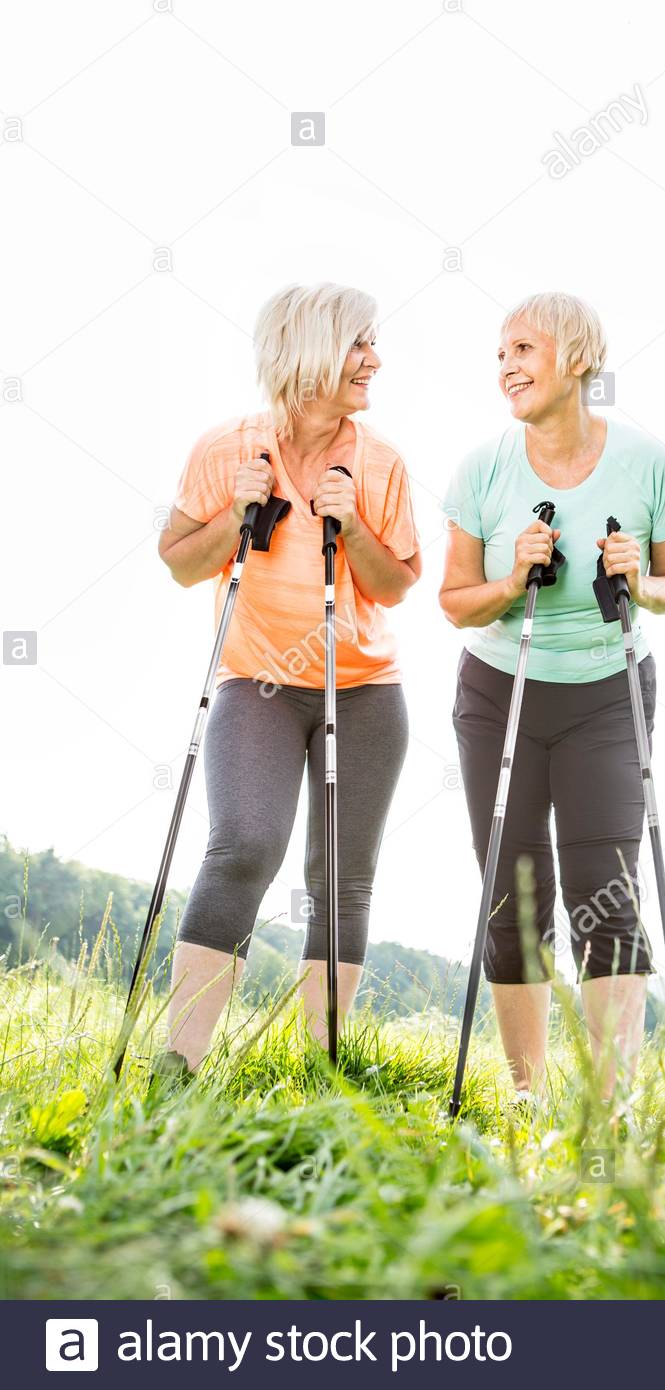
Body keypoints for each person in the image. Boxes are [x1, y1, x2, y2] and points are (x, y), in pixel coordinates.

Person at [440, 291, 665, 1103]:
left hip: (606, 693)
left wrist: (640, 581)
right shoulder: (482, 469)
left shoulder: (647, 462)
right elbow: (454, 602)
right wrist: (512, 577)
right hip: (500, 691)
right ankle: (527, 1096)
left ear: (578, 357)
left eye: (524, 349)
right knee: (513, 894)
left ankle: (608, 1108)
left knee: (607, 890)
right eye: (500, 353)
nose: (507, 367)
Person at [156, 282, 420, 1073]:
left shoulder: (380, 463)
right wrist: (231, 517)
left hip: (365, 689)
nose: (375, 359)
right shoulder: (225, 447)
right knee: (242, 845)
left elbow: (399, 580)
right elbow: (177, 562)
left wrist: (355, 524)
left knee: (339, 879)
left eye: (374, 342)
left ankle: (321, 1073)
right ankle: (178, 1069)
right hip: (255, 684)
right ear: (308, 351)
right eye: (359, 343)